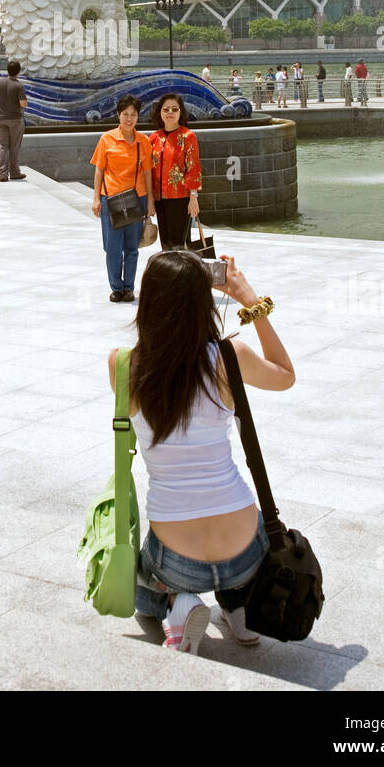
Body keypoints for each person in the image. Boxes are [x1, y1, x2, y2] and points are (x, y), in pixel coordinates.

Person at [111, 248, 294, 653]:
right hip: (243, 545)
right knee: (242, 545)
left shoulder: (123, 365)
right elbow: (286, 376)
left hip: (175, 553)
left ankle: (179, 602)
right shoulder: (230, 356)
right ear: (203, 302)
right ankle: (239, 607)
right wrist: (251, 301)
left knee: (143, 592)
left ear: (149, 302)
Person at [91, 95, 156, 301]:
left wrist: (151, 202)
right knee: (112, 248)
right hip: (111, 199)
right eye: (125, 114)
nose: (129, 119)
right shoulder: (106, 139)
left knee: (132, 247)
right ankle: (116, 288)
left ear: (138, 117)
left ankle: (128, 288)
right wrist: (95, 199)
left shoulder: (143, 141)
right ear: (118, 115)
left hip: (137, 199)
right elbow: (99, 171)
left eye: (133, 115)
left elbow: (147, 173)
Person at [149, 94, 202, 250]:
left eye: (174, 109)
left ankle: (181, 273)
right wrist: (149, 200)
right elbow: (148, 170)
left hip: (180, 198)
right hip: (159, 198)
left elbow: (193, 169)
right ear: (160, 112)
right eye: (166, 109)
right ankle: (168, 273)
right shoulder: (154, 138)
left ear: (181, 112)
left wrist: (193, 198)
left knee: (179, 244)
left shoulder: (188, 136)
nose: (170, 112)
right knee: (165, 243)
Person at [0, 60, 27, 181]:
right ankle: (15, 172)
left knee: (2, 145)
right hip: (15, 119)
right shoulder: (19, 85)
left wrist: (3, 101)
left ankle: (2, 173)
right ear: (19, 71)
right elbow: (23, 103)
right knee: (14, 146)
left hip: (0, 118)